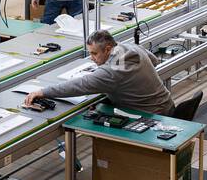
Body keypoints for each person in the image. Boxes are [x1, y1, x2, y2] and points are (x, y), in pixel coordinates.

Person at [23, 30, 176, 116]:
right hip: (166, 104)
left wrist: (43, 92)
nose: (91, 58)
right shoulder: (129, 47)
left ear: (108, 49)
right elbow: (154, 60)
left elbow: (80, 85)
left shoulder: (112, 72)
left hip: (152, 115)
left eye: (94, 54)